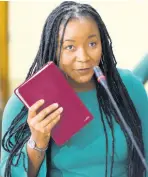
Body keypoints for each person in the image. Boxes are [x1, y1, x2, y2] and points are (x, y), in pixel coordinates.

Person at [0, 1, 148, 177]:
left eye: (92, 44)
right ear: (53, 49)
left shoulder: (129, 88)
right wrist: (37, 142)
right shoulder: (24, 105)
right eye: (70, 47)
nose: (84, 57)